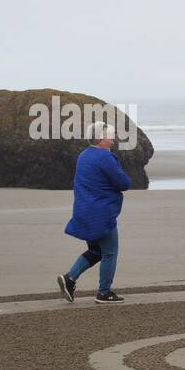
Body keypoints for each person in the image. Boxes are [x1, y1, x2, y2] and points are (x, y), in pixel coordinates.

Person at [57, 122, 132, 304]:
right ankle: (104, 292)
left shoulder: (84, 156)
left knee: (96, 250)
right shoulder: (105, 158)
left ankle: (69, 279)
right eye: (109, 136)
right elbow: (124, 183)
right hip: (101, 213)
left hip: (84, 210)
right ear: (100, 139)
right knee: (109, 253)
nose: (112, 139)